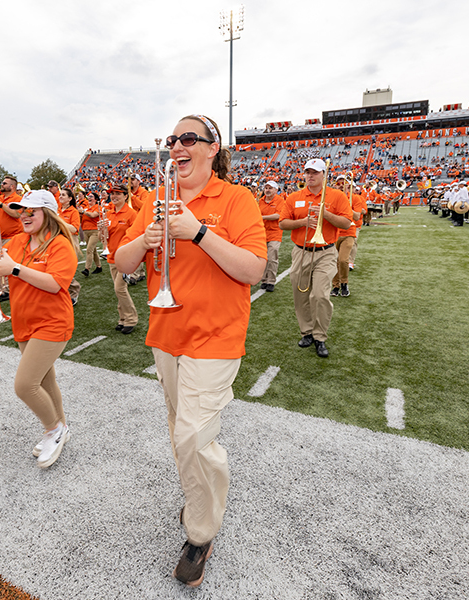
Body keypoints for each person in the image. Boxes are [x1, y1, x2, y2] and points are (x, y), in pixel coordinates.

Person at [115, 114, 266, 587]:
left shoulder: (237, 198)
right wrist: (145, 238)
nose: (176, 145)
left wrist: (198, 231)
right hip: (167, 333)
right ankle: (198, 499)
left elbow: (253, 270)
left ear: (211, 148)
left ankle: (201, 531)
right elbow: (121, 260)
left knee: (193, 435)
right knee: (182, 432)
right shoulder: (158, 199)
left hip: (216, 337)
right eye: (171, 139)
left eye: (187, 138)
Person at [0, 190, 77, 468]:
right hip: (24, 320)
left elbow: (55, 283)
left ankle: (54, 429)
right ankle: (60, 428)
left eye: (32, 211)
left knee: (25, 385)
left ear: (48, 214)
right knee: (44, 381)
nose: (24, 215)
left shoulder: (60, 245)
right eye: (22, 210)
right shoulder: (17, 241)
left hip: (52, 322)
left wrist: (14, 268)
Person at [279, 158, 352, 358]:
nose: (310, 176)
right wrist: (303, 221)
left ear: (323, 174)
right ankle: (307, 332)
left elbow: (346, 223)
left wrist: (324, 213)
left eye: (315, 172)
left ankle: (320, 336)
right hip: (301, 251)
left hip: (326, 252)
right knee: (300, 295)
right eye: (307, 172)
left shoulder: (336, 196)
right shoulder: (294, 197)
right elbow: (282, 223)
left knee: (319, 295)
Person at [104, 183, 138, 334]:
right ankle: (122, 318)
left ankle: (131, 319)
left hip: (125, 258)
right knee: (118, 290)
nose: (114, 196)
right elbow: (103, 239)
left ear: (126, 196)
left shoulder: (131, 214)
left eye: (118, 193)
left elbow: (136, 236)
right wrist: (102, 229)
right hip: (112, 256)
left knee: (120, 288)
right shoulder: (108, 214)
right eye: (112, 193)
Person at [330, 174, 365, 297]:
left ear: (348, 186)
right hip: (334, 232)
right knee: (334, 261)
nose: (339, 186)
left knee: (343, 260)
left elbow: (356, 216)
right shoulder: (332, 198)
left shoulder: (355, 198)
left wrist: (346, 205)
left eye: (342, 183)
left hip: (349, 232)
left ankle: (344, 283)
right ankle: (335, 286)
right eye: (337, 183)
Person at [258, 180, 284, 291]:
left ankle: (271, 281)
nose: (267, 190)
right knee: (263, 257)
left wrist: (262, 217)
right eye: (266, 188)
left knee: (272, 257)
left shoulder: (280, 200)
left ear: (276, 190)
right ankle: (264, 279)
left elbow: (278, 215)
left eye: (270, 188)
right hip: (262, 232)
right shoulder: (261, 201)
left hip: (274, 232)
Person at [58, 187, 82, 305]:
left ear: (70, 198)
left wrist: (59, 221)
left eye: (63, 195)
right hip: (57, 240)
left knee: (67, 269)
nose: (60, 196)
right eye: (60, 195)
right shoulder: (57, 209)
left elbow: (74, 228)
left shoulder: (74, 212)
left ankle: (74, 290)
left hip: (70, 240)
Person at [78, 190, 103, 277]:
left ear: (96, 199)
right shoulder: (86, 207)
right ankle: (99, 267)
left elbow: (93, 215)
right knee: (94, 250)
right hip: (85, 231)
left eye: (91, 196)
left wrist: (83, 212)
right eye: (89, 196)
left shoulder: (97, 207)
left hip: (94, 231)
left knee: (89, 250)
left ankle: (87, 269)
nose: (89, 198)